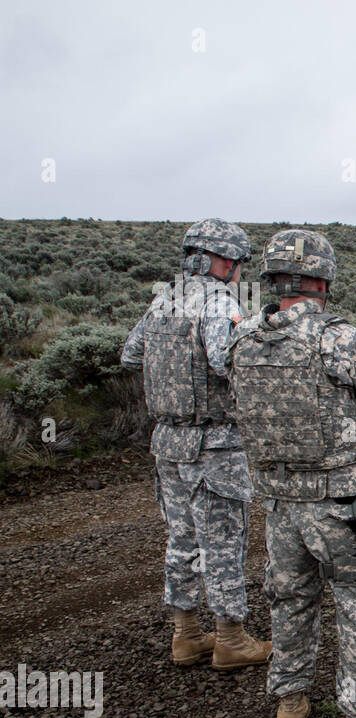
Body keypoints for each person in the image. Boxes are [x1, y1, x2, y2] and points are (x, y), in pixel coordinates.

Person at [227, 228, 356, 718]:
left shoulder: (242, 340)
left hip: (278, 503)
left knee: (290, 598)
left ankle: (290, 701)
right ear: (322, 278)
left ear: (271, 277)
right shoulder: (339, 339)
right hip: (351, 502)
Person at [121, 218, 271, 670]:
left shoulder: (163, 301)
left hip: (166, 439)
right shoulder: (219, 301)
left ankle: (185, 636)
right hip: (215, 443)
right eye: (238, 261)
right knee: (223, 540)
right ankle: (231, 640)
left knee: (182, 538)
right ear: (220, 260)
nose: (240, 270)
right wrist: (257, 329)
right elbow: (226, 359)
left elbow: (130, 354)